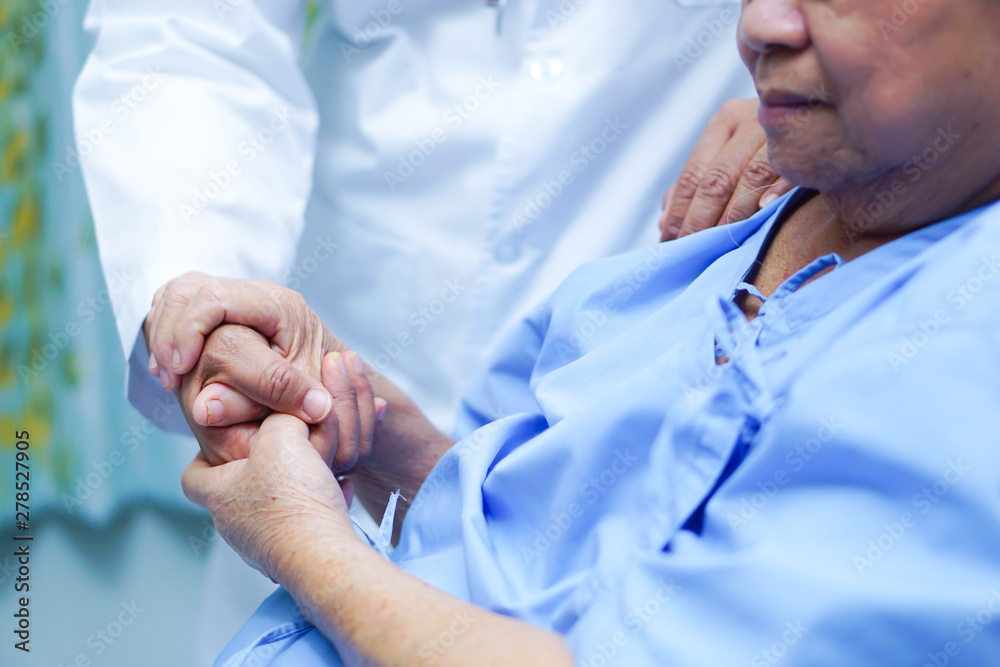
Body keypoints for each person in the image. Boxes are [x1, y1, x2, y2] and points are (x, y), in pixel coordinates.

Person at [151, 0, 1000, 664]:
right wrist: (385, 443)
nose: (755, 26)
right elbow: (562, 541)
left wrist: (304, 539)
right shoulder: (725, 248)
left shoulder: (954, 360)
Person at [75, 1, 786, 654]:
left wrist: (800, 101)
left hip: (651, 315)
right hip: (339, 334)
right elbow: (192, 31)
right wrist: (206, 303)